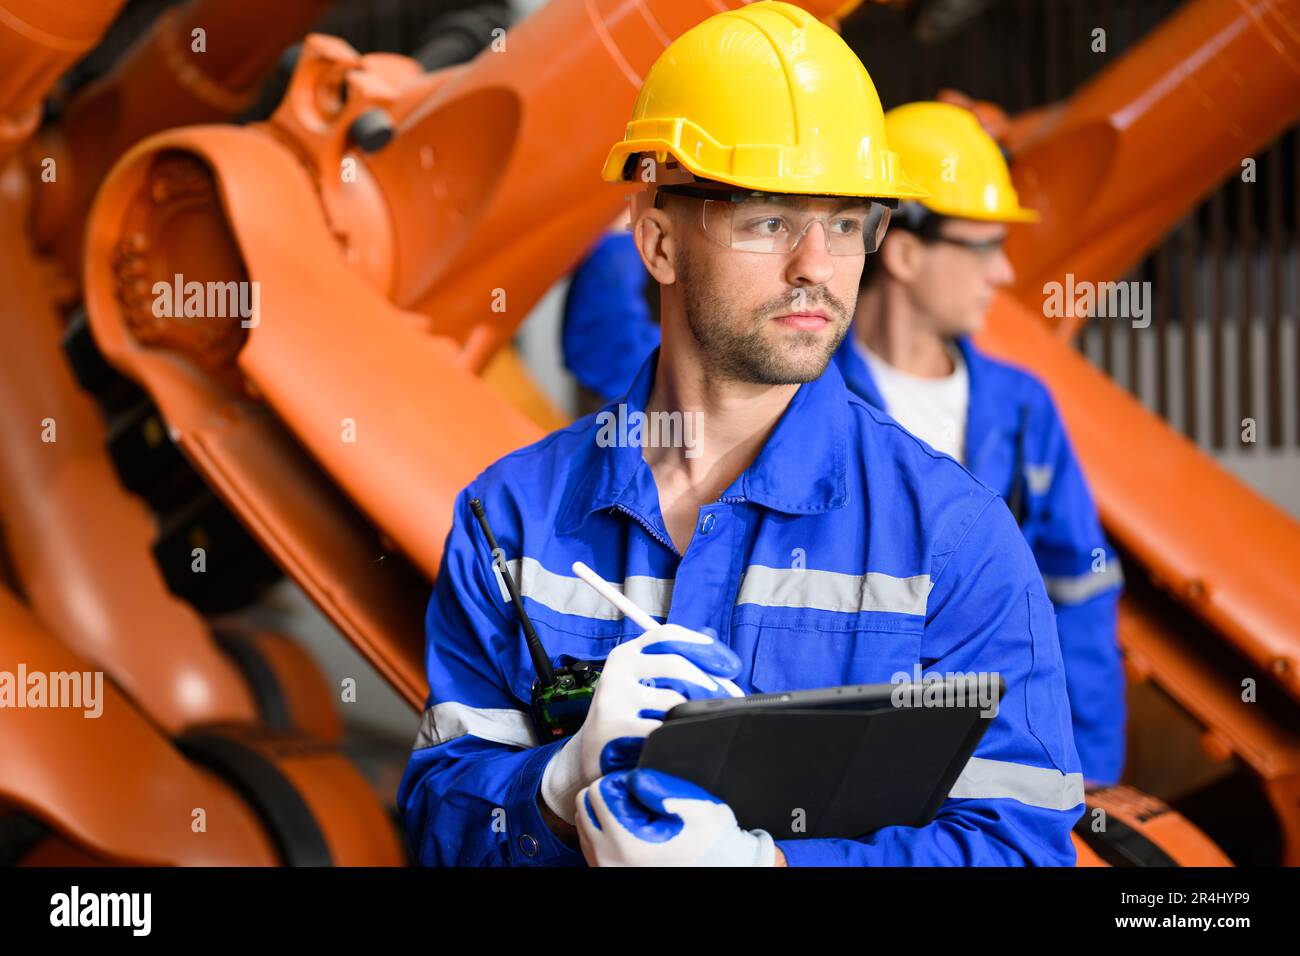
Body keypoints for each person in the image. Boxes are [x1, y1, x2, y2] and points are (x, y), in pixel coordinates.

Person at [397, 0, 1084, 867]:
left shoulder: (952, 539)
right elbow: (439, 823)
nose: (815, 266)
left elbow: (1019, 848)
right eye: (768, 220)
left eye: (844, 222)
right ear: (657, 241)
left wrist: (771, 866)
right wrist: (555, 788)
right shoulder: (512, 524)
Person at [831, 101, 1125, 786]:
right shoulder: (808, 402)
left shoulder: (1022, 409)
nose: (1003, 273)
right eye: (984, 246)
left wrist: (1089, 778)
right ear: (903, 251)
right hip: (856, 770)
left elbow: (1077, 591)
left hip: (1000, 762)